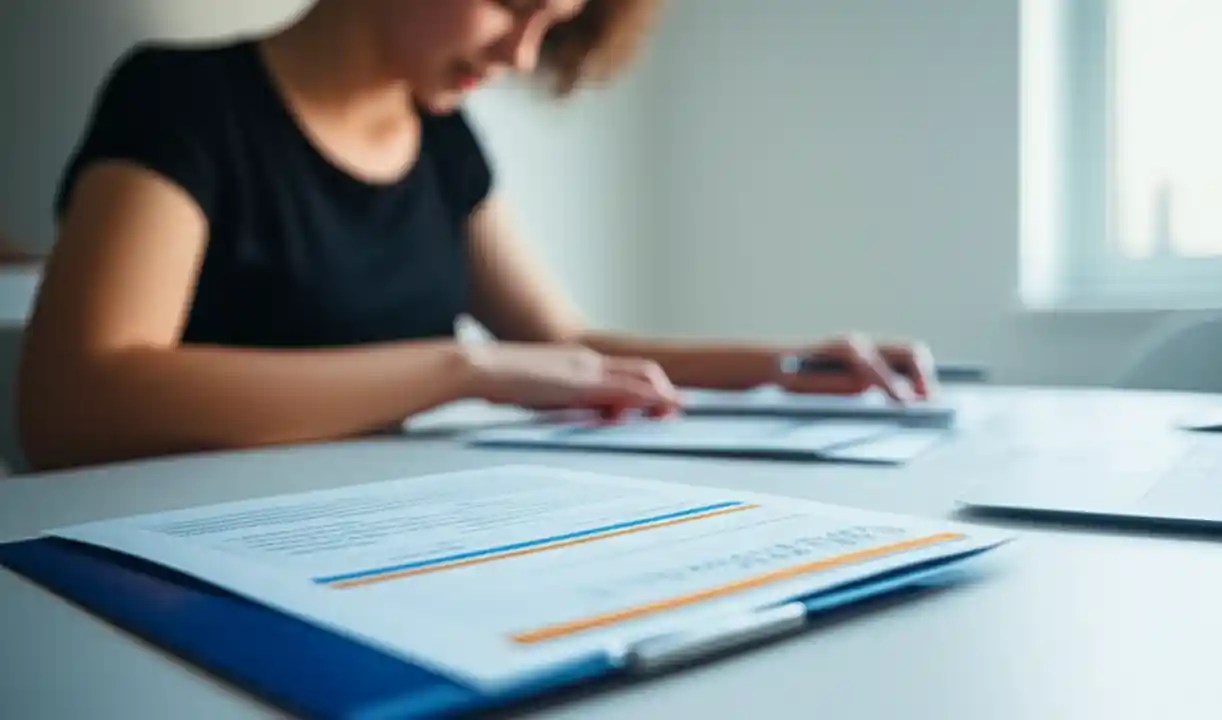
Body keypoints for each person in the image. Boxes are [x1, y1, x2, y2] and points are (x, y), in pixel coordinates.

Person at [18, 0, 936, 471]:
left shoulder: (443, 144)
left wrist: (791, 364)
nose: (522, 54)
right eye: (511, 3)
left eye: (554, 22)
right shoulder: (184, 103)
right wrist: (462, 368)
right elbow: (76, 402)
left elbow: (566, 347)